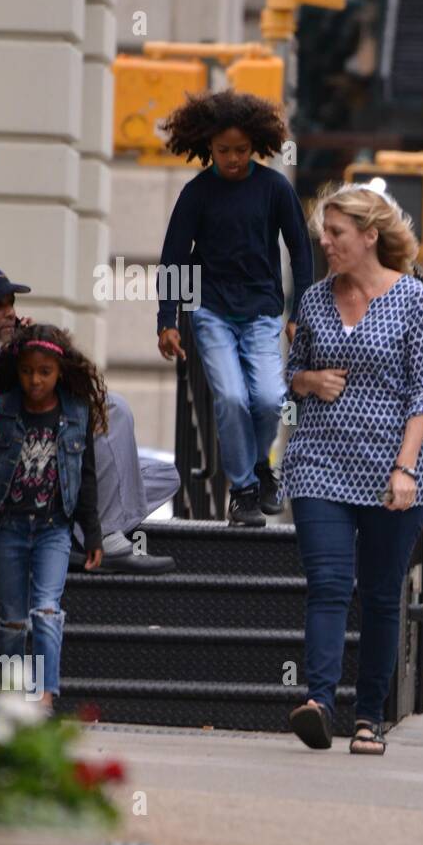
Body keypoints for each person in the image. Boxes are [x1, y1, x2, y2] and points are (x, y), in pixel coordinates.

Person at [281, 183, 423, 756]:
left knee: (380, 594)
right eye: (323, 234)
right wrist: (307, 382)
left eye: (336, 234)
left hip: (393, 470)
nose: (325, 244)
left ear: (370, 236)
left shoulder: (415, 300)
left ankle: (369, 716)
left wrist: (406, 468)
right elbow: (292, 374)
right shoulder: (314, 299)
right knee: (327, 584)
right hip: (319, 462)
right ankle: (319, 702)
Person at [0, 264, 178, 572]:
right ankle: (104, 536)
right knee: (113, 411)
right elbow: (51, 400)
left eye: (10, 302)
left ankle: (80, 530)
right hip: (11, 483)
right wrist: (27, 346)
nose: (8, 312)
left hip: (32, 466)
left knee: (164, 475)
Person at [155, 90, 312, 526]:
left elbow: (300, 250)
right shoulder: (197, 193)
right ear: (209, 147)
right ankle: (243, 490)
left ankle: (261, 466)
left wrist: (300, 313)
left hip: (262, 310)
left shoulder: (274, 188)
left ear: (256, 145)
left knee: (266, 398)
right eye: (224, 151)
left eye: (242, 150)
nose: (234, 159)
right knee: (229, 397)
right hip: (211, 311)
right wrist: (166, 320)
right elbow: (172, 256)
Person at [0, 324, 106, 705]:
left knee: (45, 610)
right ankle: (11, 696)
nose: (35, 380)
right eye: (27, 371)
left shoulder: (76, 411)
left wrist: (92, 533)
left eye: (45, 372)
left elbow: (86, 474)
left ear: (60, 372)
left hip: (53, 529)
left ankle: (43, 694)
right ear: (16, 369)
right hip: (5, 527)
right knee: (12, 618)